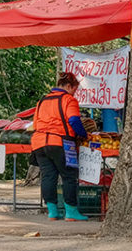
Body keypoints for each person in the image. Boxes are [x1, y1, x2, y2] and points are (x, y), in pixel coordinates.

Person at [31, 71, 89, 221]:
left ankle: (52, 211)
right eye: (75, 90)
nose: (75, 93)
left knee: (48, 176)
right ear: (69, 86)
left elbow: (35, 124)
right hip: (60, 143)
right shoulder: (68, 100)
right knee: (69, 176)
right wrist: (83, 135)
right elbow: (74, 121)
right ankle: (71, 212)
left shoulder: (42, 101)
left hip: (39, 143)